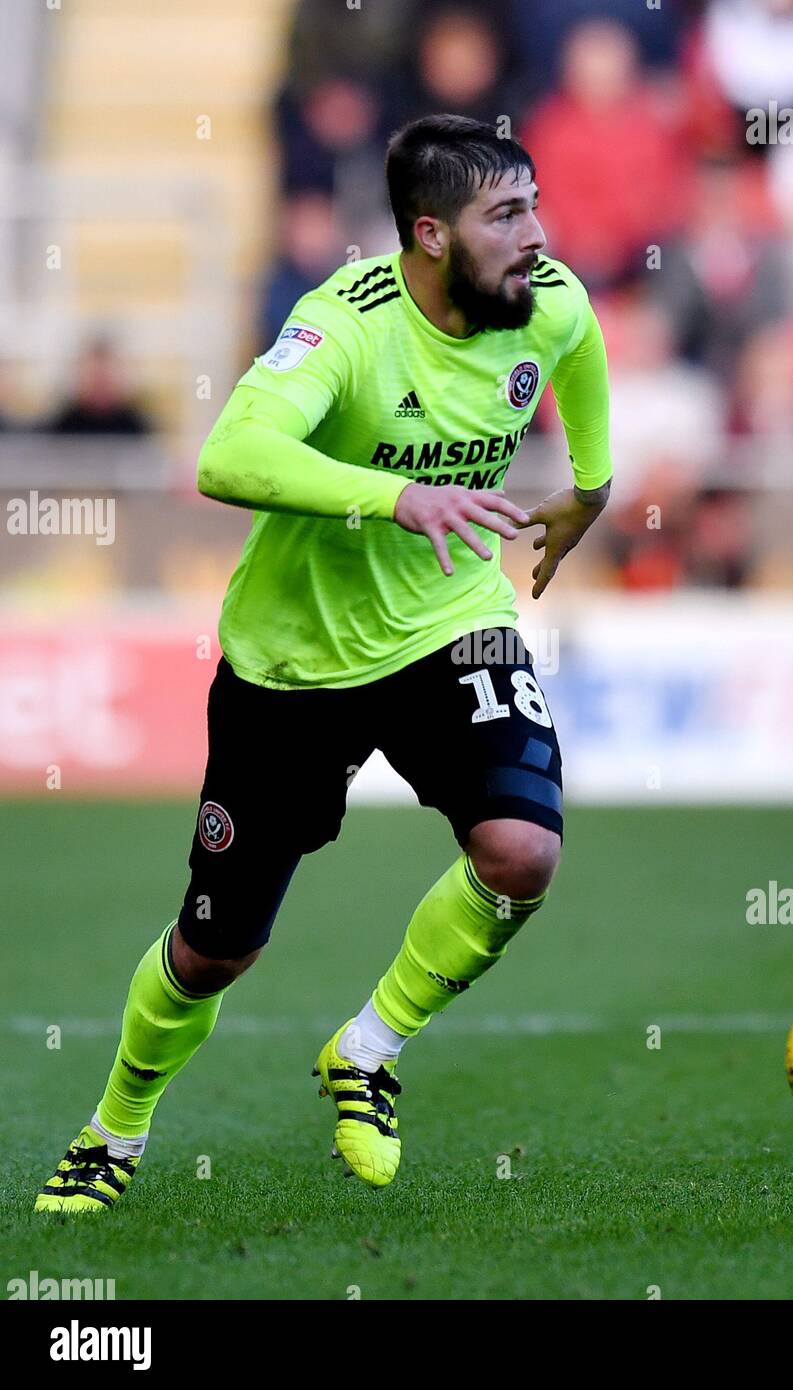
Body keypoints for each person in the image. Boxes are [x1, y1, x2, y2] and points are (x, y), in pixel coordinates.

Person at [35, 114, 613, 1212]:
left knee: (521, 852)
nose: (536, 234)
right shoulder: (341, 325)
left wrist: (590, 486)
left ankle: (368, 1049)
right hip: (293, 659)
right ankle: (116, 1127)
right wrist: (400, 496)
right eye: (508, 215)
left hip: (450, 623)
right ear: (430, 235)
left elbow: (578, 352)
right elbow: (227, 456)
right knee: (214, 952)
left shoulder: (548, 300)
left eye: (535, 204)